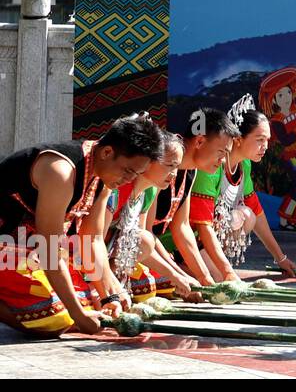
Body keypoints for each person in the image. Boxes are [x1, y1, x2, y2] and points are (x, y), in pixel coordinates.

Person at [0, 115, 163, 337]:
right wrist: (78, 316)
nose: (129, 179)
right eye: (128, 171)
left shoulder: (103, 178)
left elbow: (92, 240)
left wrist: (110, 295)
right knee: (53, 317)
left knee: (91, 303)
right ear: (107, 152)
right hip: (11, 247)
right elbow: (49, 250)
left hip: (28, 249)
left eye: (136, 174)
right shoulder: (60, 171)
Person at [190, 96, 296, 282]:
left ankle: (213, 263)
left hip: (208, 237)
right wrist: (226, 271)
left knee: (246, 215)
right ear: (238, 139)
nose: (265, 147)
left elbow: (256, 211)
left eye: (267, 140)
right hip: (189, 239)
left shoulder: (244, 165)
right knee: (237, 218)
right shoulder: (211, 167)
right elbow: (202, 224)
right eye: (259, 139)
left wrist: (281, 258)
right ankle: (194, 264)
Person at [106, 131, 203, 303]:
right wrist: (175, 275)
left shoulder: (149, 190)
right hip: (79, 250)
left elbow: (142, 240)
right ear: (149, 161)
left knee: (148, 286)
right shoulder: (117, 188)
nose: (174, 174)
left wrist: (178, 276)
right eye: (169, 165)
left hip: (110, 252)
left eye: (176, 167)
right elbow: (93, 238)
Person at [155, 108, 239, 288]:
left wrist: (205, 277)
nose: (223, 160)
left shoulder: (190, 170)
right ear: (199, 141)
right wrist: (177, 275)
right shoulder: (159, 161)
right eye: (221, 152)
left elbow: (181, 226)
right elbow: (143, 234)